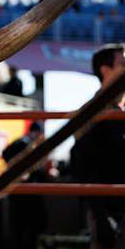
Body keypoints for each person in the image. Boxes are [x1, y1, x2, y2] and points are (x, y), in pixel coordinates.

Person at [70, 43, 125, 249]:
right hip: (106, 209)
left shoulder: (118, 110)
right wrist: (100, 216)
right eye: (122, 63)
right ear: (105, 70)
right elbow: (85, 166)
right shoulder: (90, 113)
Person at [0, 122, 47, 249]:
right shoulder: (28, 144)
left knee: (19, 226)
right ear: (36, 133)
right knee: (28, 228)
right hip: (28, 193)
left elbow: (5, 154)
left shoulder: (19, 142)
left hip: (18, 191)